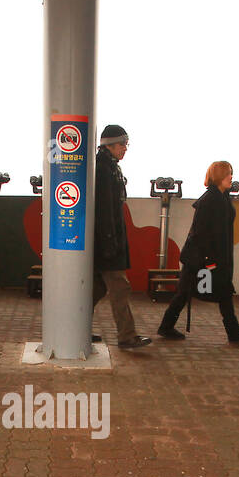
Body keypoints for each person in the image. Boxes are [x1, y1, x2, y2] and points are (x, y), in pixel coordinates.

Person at [158, 160, 239, 343]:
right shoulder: (211, 200)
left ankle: (232, 332)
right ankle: (166, 326)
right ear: (219, 176)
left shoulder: (221, 196)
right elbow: (201, 233)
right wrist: (210, 262)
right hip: (203, 258)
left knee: (220, 292)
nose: (231, 177)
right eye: (228, 173)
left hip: (210, 257)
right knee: (187, 292)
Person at [93, 125, 151, 349]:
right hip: (107, 241)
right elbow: (104, 209)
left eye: (126, 144)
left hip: (106, 240)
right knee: (120, 287)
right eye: (122, 144)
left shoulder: (108, 166)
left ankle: (76, 328)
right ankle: (127, 336)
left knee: (97, 288)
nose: (125, 149)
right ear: (110, 145)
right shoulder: (104, 169)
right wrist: (110, 243)